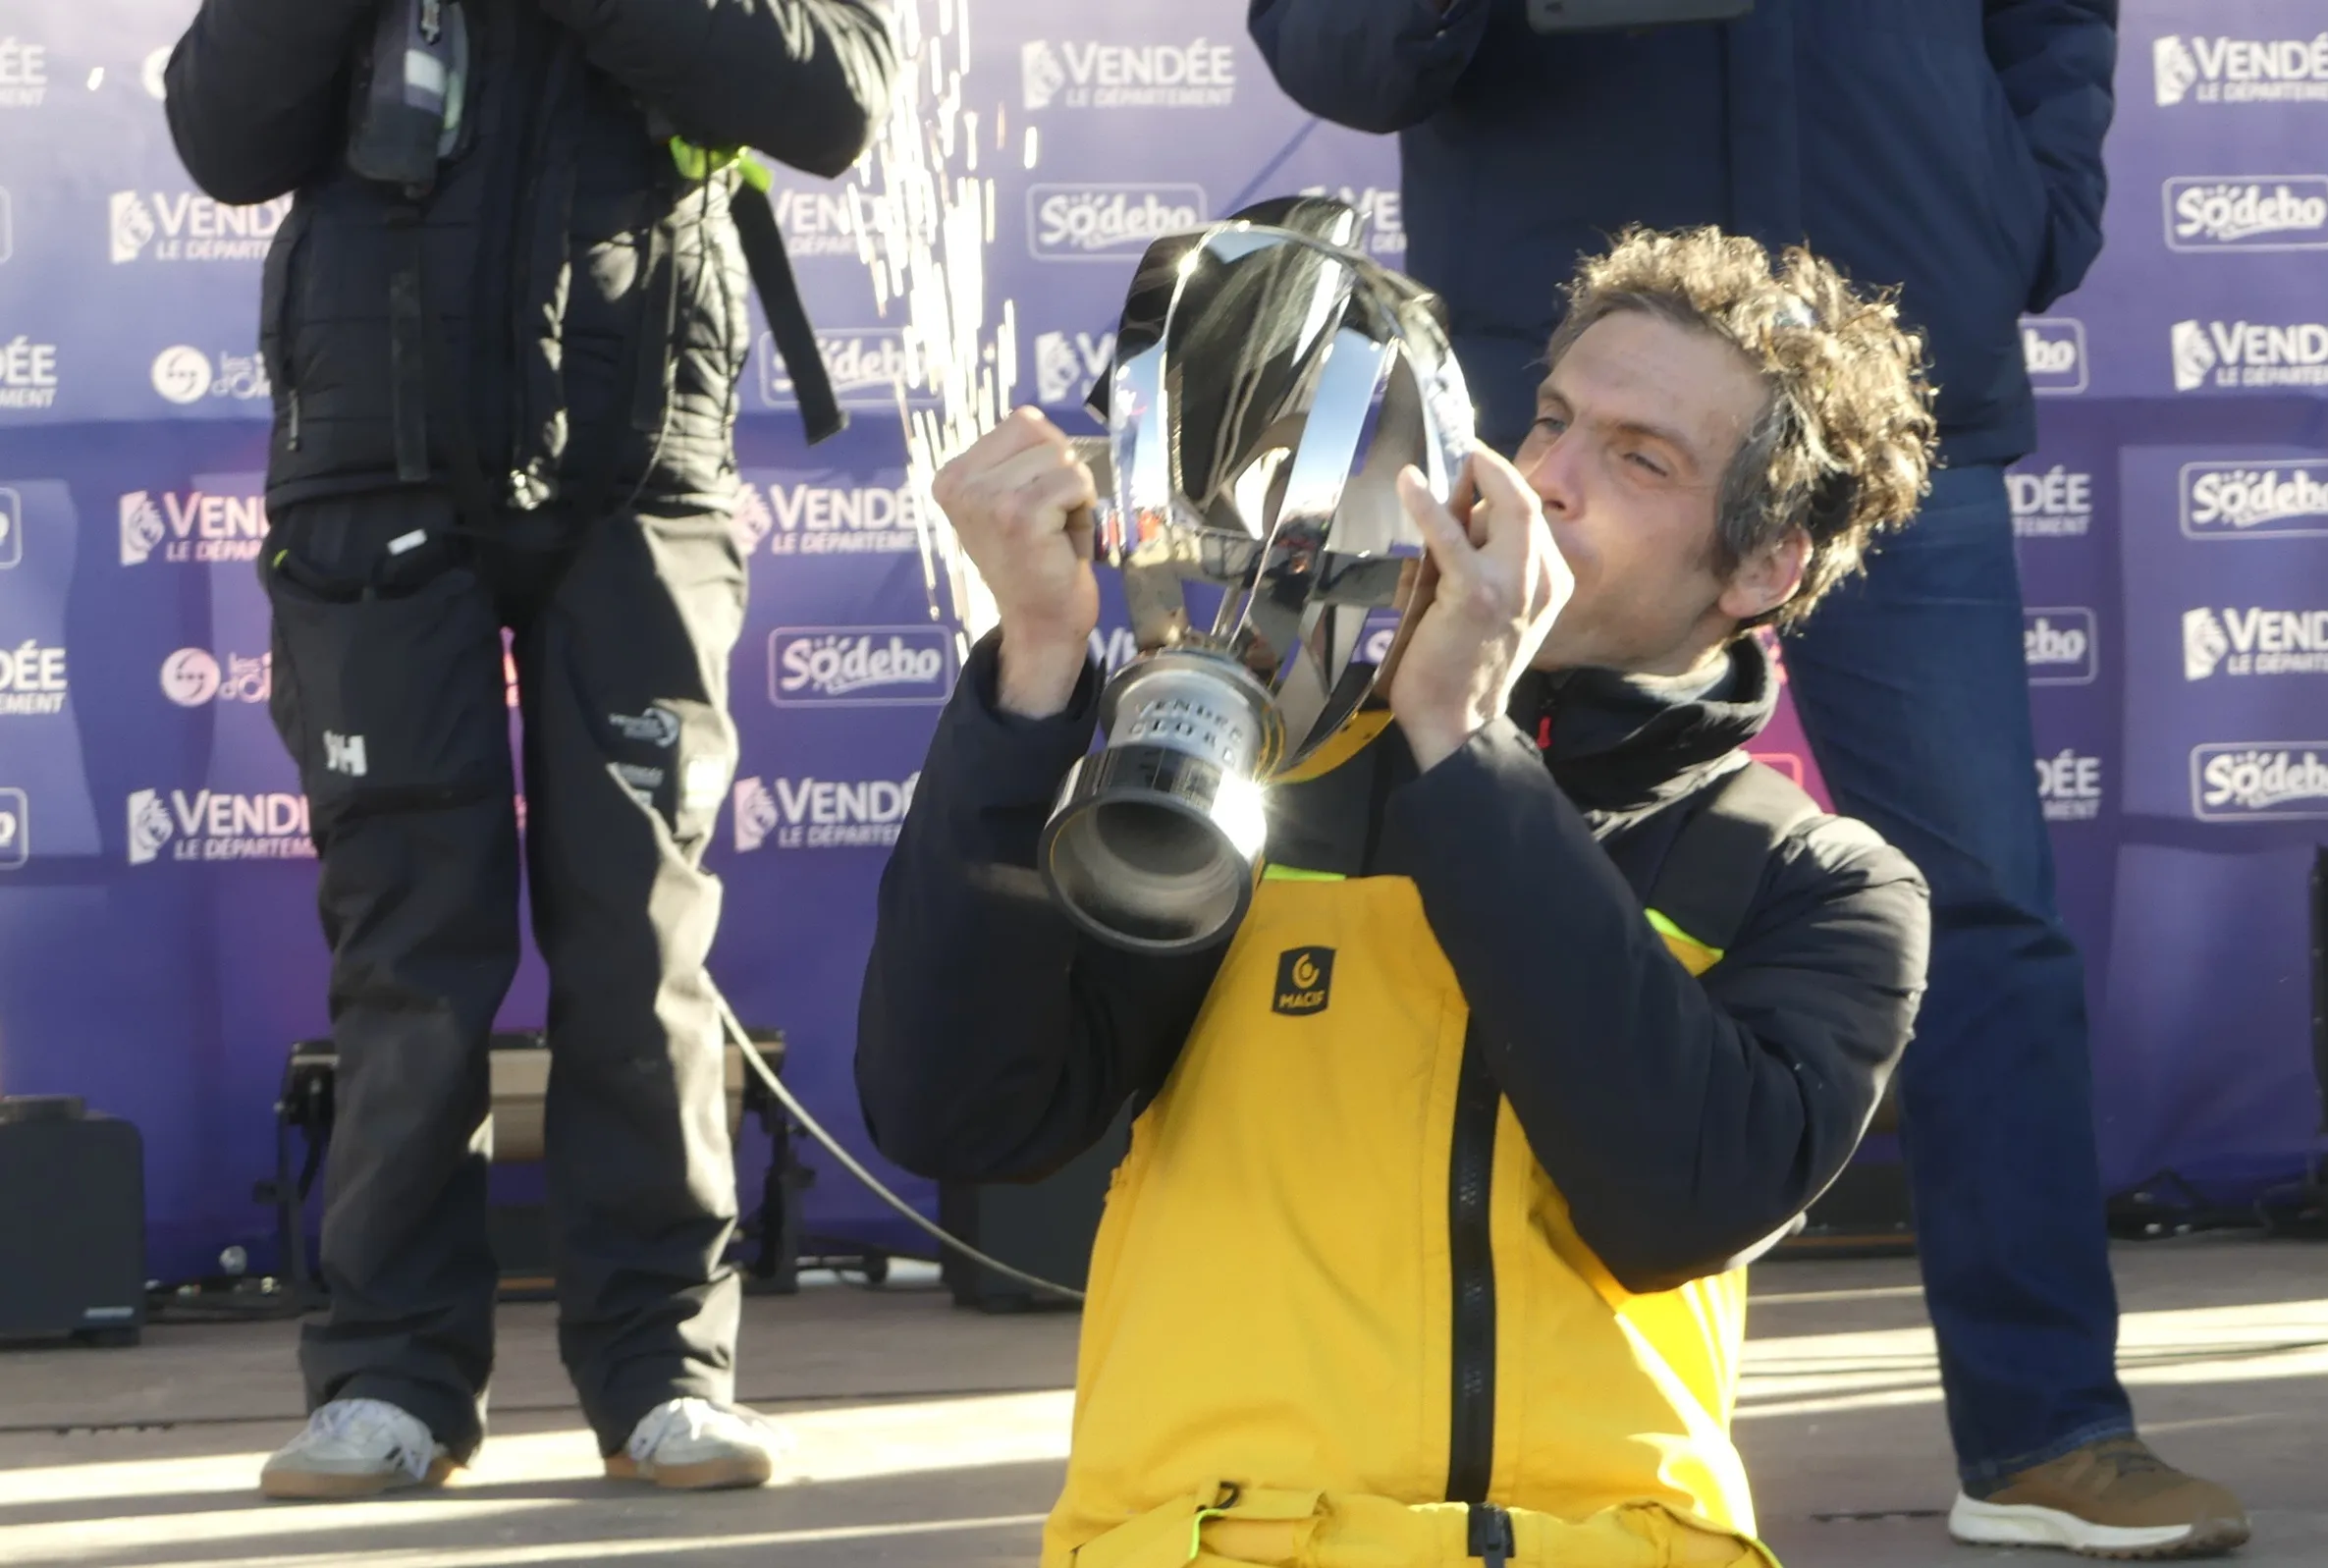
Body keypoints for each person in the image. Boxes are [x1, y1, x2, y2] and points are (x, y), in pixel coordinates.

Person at [1247, 3, 2254, 1559]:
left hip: (1894, 378)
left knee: (1983, 922)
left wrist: (2025, 202)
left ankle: (2048, 1428)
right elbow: (1339, 48)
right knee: (1467, 873)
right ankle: (1444, 1459)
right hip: (1579, 421)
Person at [859, 227, 1929, 1567]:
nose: (1548, 480)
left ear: (1765, 567)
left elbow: (1676, 1199)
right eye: (1549, 420)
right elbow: (964, 1109)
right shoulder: (1284, 774)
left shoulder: (1819, 879)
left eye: (1639, 458)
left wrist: (1461, 743)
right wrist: (1032, 672)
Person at [162, 0, 892, 1498]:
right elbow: (219, 131)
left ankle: (666, 1375)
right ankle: (387, 1381)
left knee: (638, 936)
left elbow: (833, 97)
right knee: (410, 946)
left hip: (643, 458)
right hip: (374, 466)